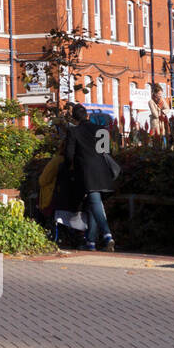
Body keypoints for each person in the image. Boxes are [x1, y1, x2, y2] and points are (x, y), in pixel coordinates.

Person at [63, 103, 117, 251]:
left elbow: (68, 156)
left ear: (74, 119)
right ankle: (91, 242)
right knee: (93, 204)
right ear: (87, 115)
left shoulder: (73, 131)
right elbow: (107, 151)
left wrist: (68, 170)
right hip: (103, 171)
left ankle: (107, 235)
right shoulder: (101, 130)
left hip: (87, 172)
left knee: (94, 200)